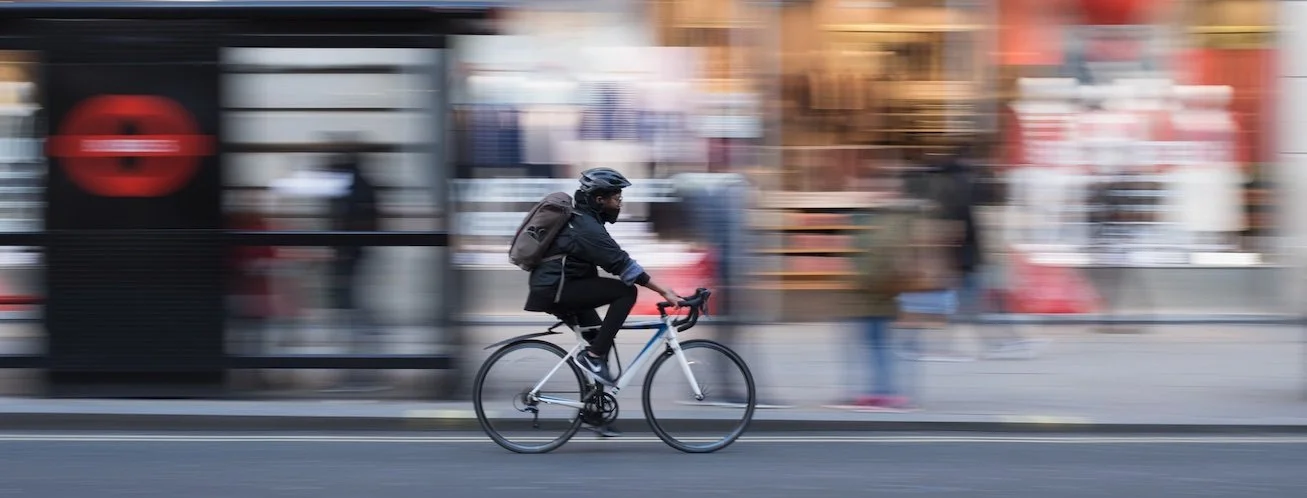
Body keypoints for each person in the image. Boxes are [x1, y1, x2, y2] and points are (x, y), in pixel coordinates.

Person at [524, 167, 684, 388]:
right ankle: (594, 357)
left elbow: (615, 260)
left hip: (559, 287)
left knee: (600, 339)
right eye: (617, 197)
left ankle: (595, 412)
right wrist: (664, 291)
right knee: (626, 291)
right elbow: (622, 264)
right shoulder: (585, 228)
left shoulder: (584, 220)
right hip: (556, 289)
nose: (620, 202)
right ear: (599, 199)